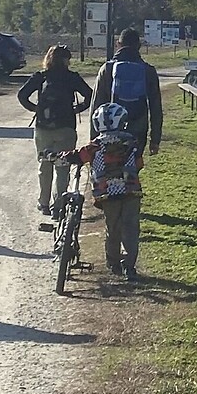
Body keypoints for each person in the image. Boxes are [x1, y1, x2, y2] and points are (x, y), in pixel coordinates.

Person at [50, 103, 143, 279]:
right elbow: (139, 164)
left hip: (106, 193)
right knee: (130, 228)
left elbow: (78, 156)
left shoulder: (95, 145)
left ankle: (114, 263)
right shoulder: (132, 142)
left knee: (113, 228)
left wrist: (57, 155)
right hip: (131, 191)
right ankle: (129, 267)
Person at [17, 44, 93, 215]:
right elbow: (89, 95)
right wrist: (78, 109)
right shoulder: (72, 77)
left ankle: (43, 203)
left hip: (43, 128)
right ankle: (59, 205)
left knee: (44, 166)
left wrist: (36, 109)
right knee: (63, 167)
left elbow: (22, 95)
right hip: (66, 128)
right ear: (66, 60)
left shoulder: (40, 76)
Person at [92, 28, 162, 155]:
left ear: (118, 45)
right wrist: (155, 140)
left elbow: (97, 105)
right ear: (139, 46)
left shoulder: (107, 69)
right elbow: (156, 108)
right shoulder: (148, 70)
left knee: (110, 164)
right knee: (133, 163)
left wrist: (93, 140)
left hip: (110, 130)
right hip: (138, 130)